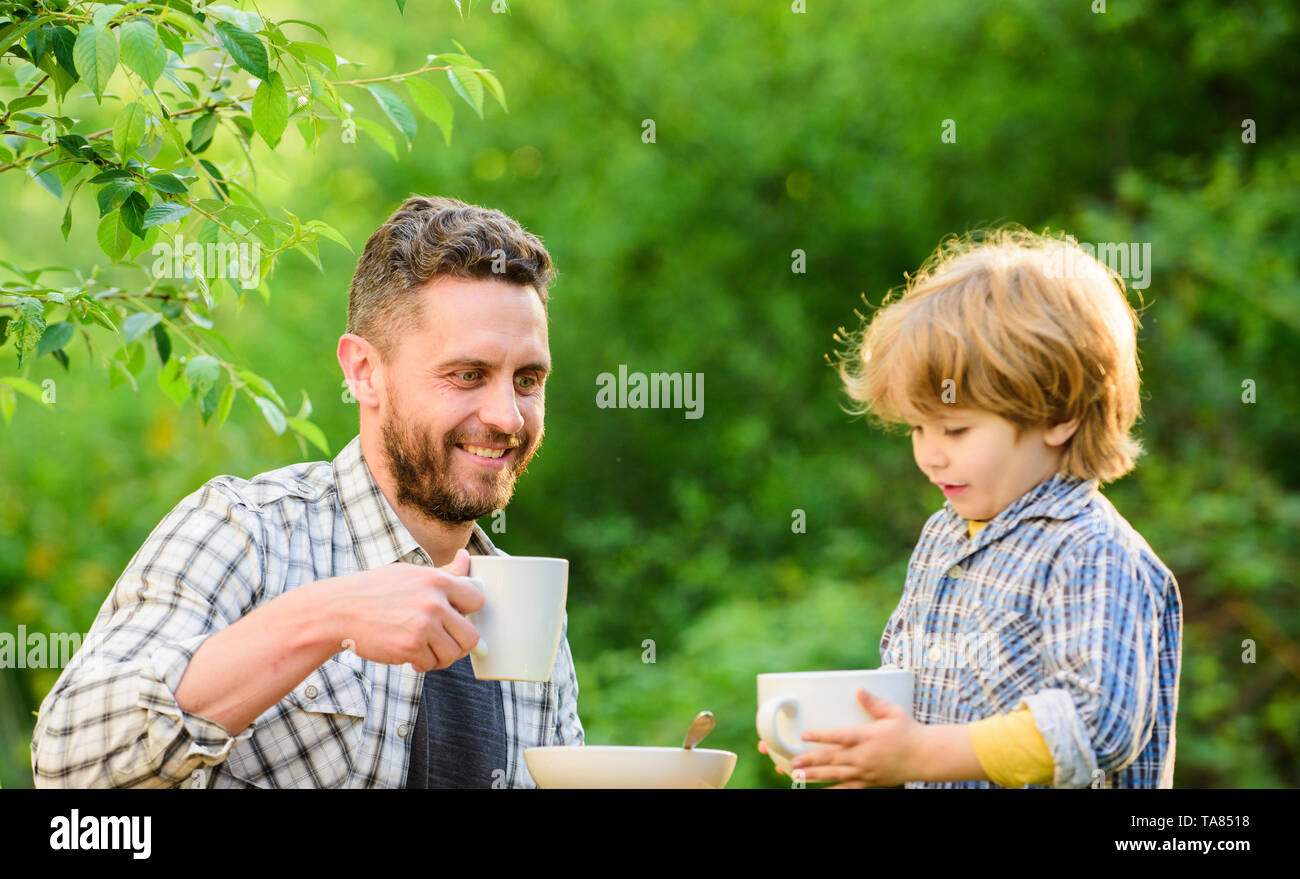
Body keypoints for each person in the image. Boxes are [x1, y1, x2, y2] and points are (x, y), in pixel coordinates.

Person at [31, 196, 583, 788]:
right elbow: (69, 762)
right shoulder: (246, 532)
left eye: (528, 380)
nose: (507, 417)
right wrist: (327, 616)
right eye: (467, 375)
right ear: (364, 372)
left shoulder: (532, 605)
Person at [761, 228, 1181, 788]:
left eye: (956, 429)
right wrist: (849, 744)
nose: (930, 455)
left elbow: (1096, 722)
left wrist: (921, 756)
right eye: (917, 427)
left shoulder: (1091, 551)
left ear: (1060, 416)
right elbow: (911, 699)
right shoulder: (943, 538)